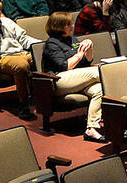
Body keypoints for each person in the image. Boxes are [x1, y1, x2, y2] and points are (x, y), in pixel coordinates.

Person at [41, 12, 104, 141]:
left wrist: (89, 48)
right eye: (68, 24)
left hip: (78, 80)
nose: (72, 26)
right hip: (58, 81)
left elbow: (86, 63)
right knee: (101, 72)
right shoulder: (52, 44)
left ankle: (91, 128)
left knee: (100, 89)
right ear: (58, 26)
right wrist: (79, 54)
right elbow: (66, 66)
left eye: (71, 23)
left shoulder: (73, 40)